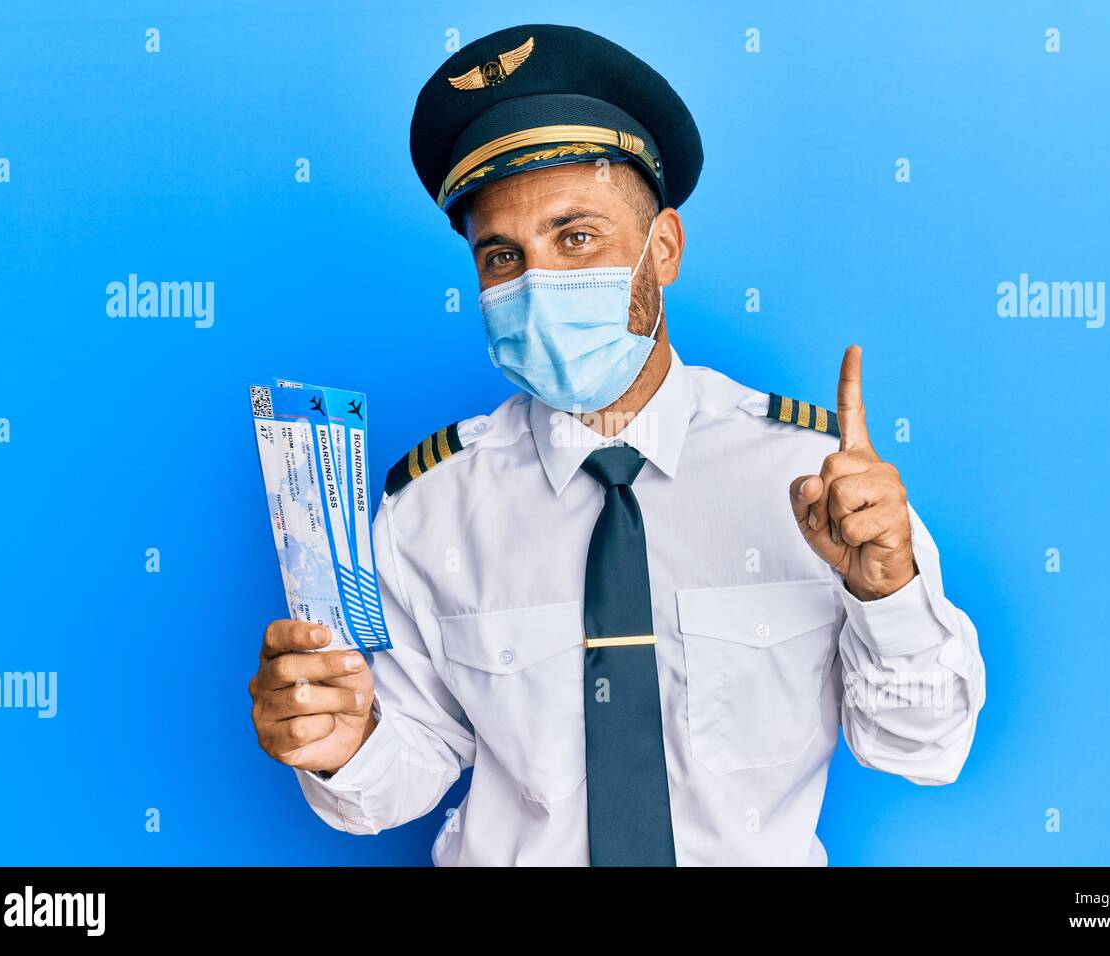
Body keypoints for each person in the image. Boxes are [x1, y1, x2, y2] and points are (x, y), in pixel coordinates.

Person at [247, 23, 986, 866]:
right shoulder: (429, 507)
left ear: (661, 248)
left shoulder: (812, 479)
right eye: (501, 256)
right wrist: (343, 742)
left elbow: (923, 748)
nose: (538, 284)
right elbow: (408, 769)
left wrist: (887, 594)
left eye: (577, 238)